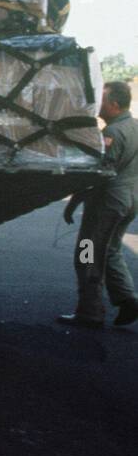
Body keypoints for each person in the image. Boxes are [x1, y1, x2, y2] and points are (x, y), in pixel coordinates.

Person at [60, 80, 138, 327]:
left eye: (102, 101)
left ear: (114, 104)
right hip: (129, 201)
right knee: (110, 250)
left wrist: (74, 200)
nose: (98, 106)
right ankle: (127, 300)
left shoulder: (111, 133)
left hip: (107, 203)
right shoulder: (134, 127)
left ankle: (89, 312)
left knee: (86, 254)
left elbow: (100, 174)